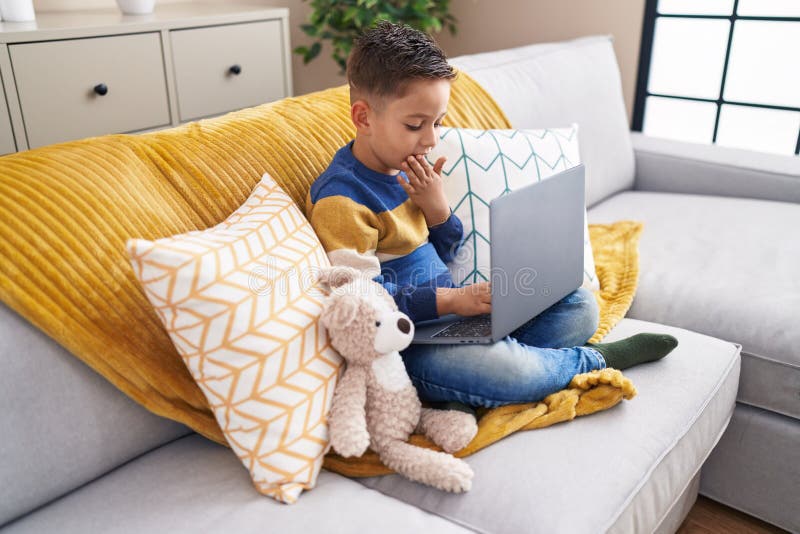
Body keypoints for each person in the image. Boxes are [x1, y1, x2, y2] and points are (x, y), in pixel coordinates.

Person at [305, 21, 677, 409]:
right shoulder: (342, 200)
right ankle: (586, 361)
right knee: (507, 371)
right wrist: (449, 301)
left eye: (438, 122)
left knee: (580, 307)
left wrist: (437, 209)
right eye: (416, 125)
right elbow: (366, 304)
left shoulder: (405, 166)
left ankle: (484, 377)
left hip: (452, 324)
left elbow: (447, 249)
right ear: (363, 118)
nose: (431, 139)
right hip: (410, 346)